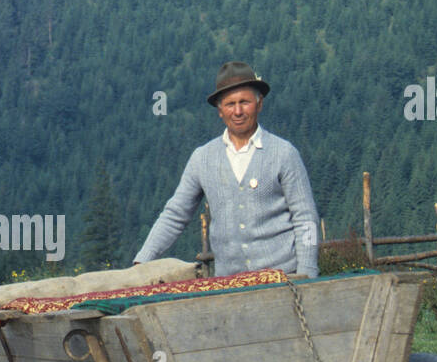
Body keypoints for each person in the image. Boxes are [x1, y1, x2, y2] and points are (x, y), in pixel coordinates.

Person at [133, 61, 320, 278]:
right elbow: (175, 215)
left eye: (245, 102)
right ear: (220, 110)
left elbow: (306, 218)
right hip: (228, 284)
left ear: (259, 104)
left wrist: (307, 272)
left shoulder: (284, 153)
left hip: (283, 278)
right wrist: (142, 261)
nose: (238, 111)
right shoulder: (202, 158)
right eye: (230, 104)